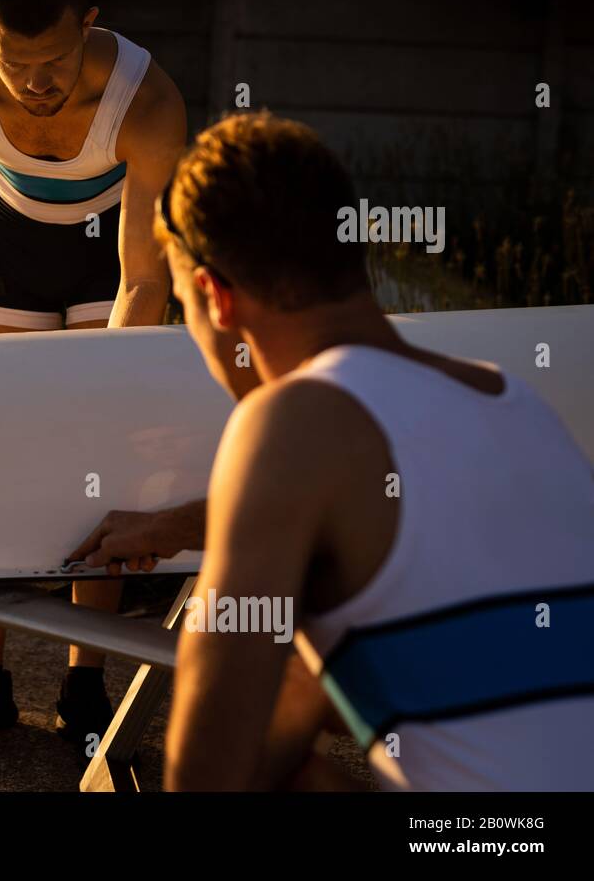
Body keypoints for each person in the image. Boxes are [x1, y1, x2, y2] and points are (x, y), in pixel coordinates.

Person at [79, 110, 594, 790]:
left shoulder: (287, 421)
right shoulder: (513, 402)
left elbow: (205, 778)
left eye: (185, 309)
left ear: (215, 296)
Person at [0, 0, 187, 761]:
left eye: (56, 61)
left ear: (90, 23)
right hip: (10, 248)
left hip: (109, 259)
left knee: (102, 463)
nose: (35, 83)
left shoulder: (148, 97)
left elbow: (143, 280)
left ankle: (83, 687)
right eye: (13, 62)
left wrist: (113, 408)